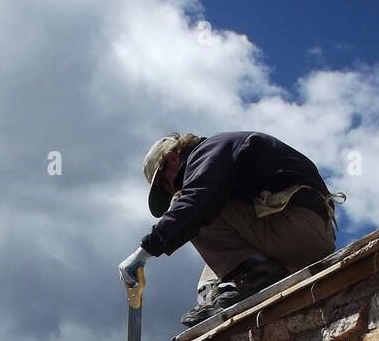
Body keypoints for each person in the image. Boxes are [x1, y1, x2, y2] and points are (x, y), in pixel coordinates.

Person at [118, 132, 342, 327]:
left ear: (173, 157)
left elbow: (195, 202)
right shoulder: (220, 156)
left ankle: (255, 275)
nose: (171, 189)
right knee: (209, 275)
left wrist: (143, 252)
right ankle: (230, 286)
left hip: (300, 228)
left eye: (165, 184)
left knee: (190, 207)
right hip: (302, 234)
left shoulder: (211, 150)